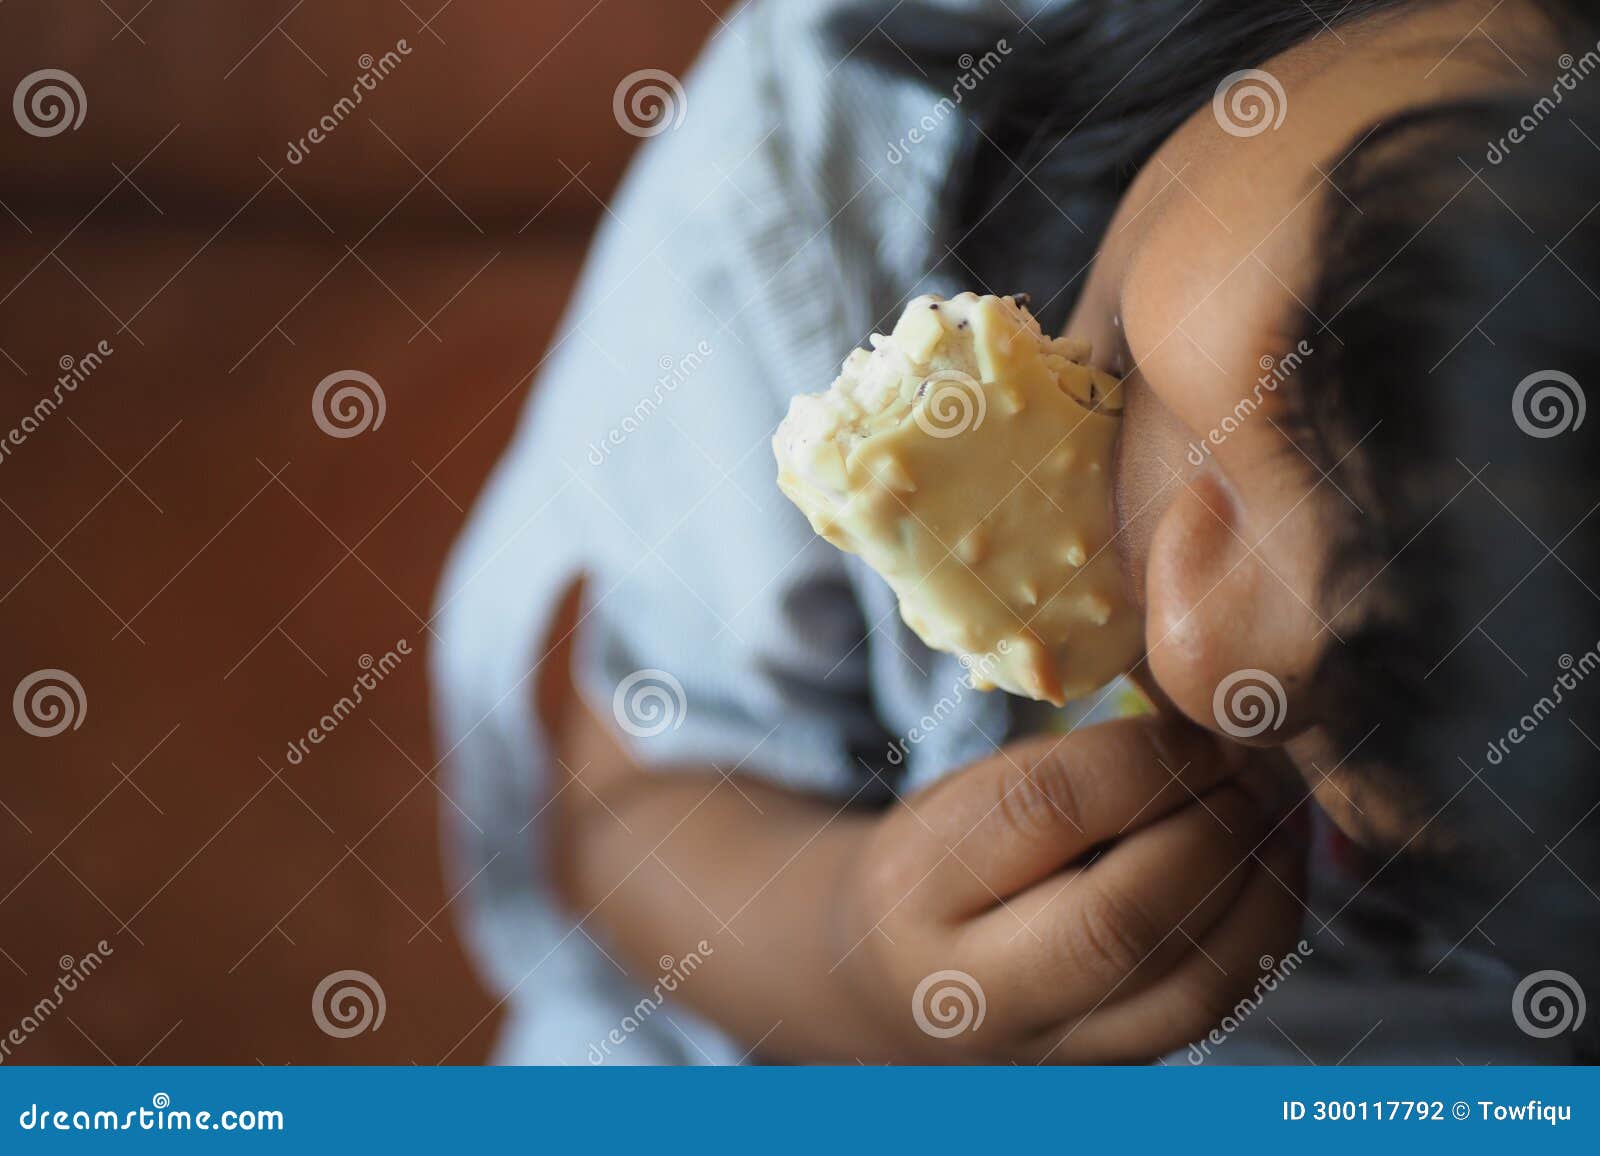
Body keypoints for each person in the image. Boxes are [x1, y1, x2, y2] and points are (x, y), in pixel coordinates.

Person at [432, 0, 1600, 1064]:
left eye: (1377, 720)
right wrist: (862, 960)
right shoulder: (825, 186)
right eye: (1320, 405)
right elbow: (616, 822)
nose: (1195, 652)